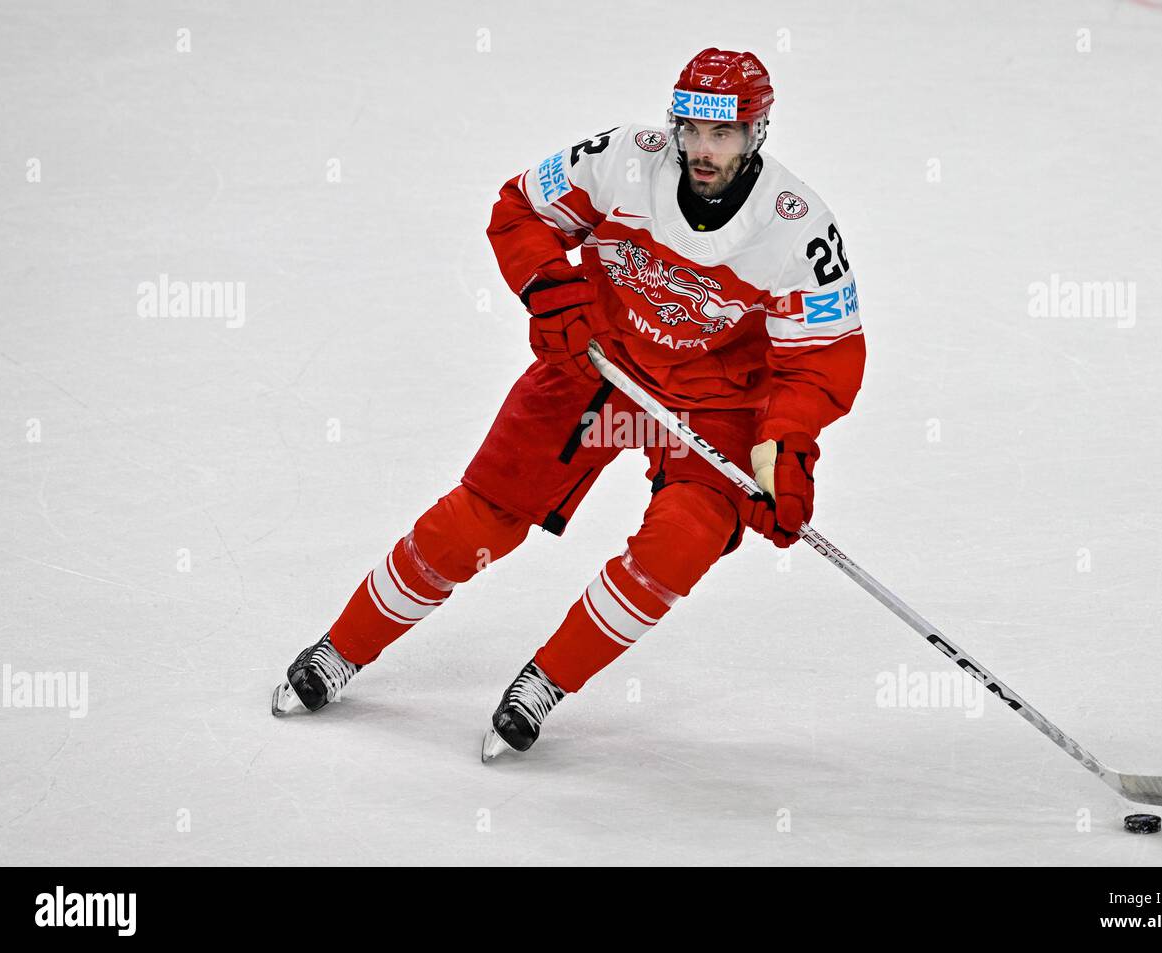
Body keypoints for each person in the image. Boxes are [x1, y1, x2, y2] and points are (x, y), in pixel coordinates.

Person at [272, 48, 867, 762]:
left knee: (682, 544)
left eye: (725, 134)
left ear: (757, 132)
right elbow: (519, 208)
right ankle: (341, 648)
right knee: (481, 516)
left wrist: (787, 450)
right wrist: (550, 289)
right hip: (598, 361)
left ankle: (545, 683)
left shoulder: (797, 229)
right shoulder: (622, 159)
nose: (703, 152)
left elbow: (817, 360)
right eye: (692, 131)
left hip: (715, 403)